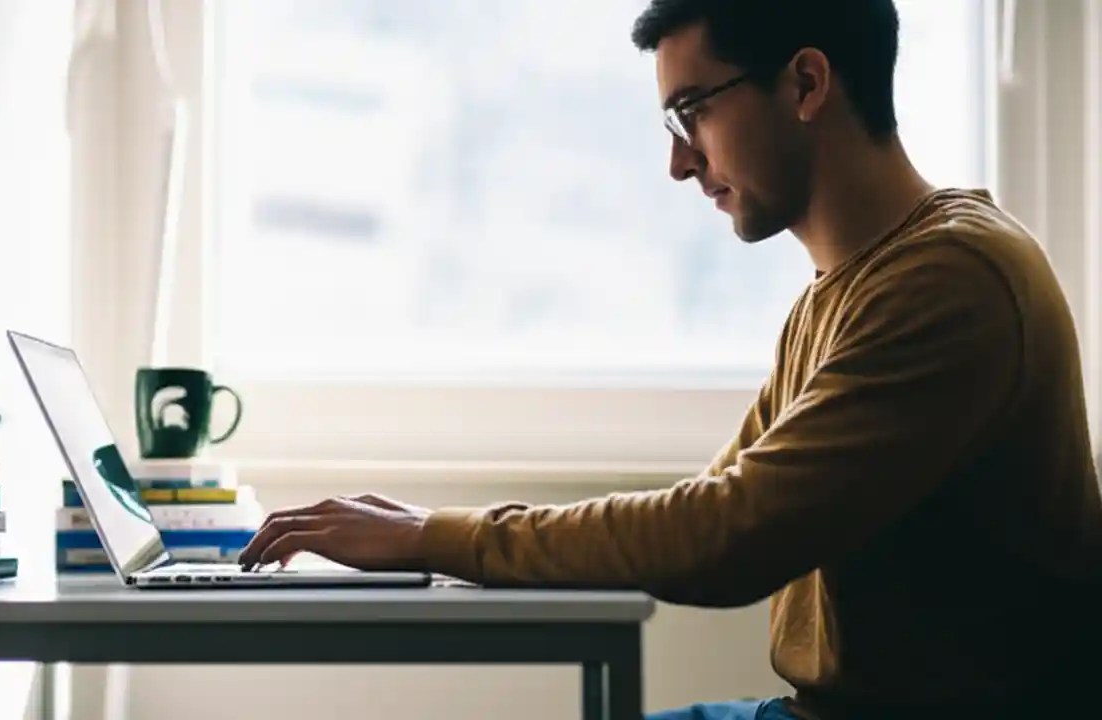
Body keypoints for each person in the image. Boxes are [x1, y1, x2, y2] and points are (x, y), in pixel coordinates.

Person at [240, 0, 1102, 717]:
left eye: (694, 111)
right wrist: (432, 535)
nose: (680, 161)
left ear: (805, 83)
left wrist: (433, 535)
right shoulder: (841, 292)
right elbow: (709, 511)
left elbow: (726, 537)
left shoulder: (949, 282)